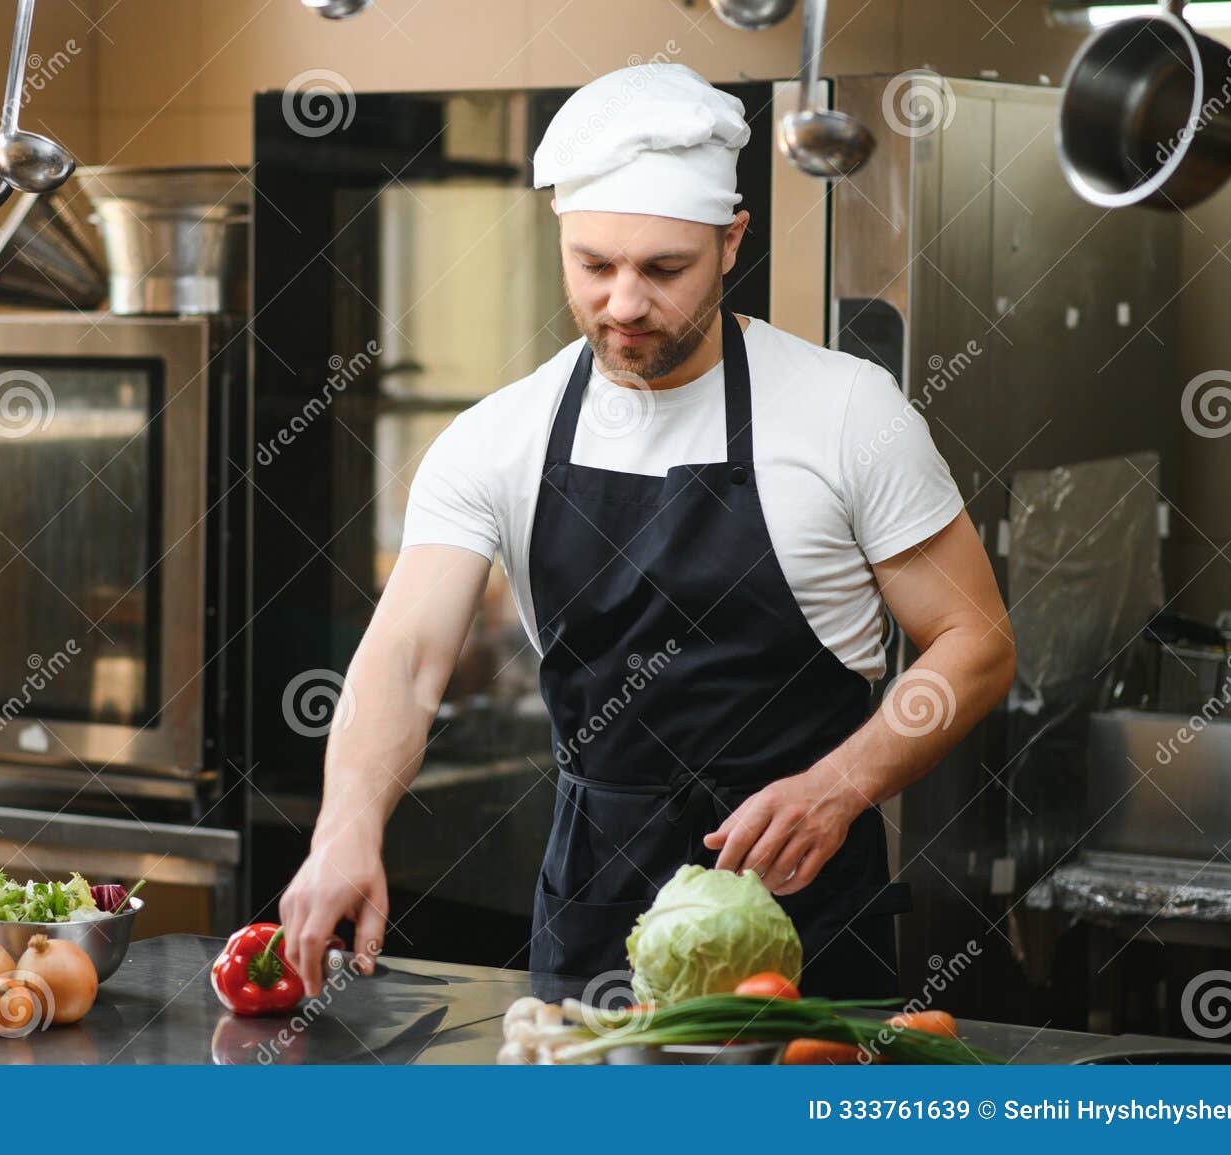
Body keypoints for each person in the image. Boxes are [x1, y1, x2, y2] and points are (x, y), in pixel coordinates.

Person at [278, 62, 1014, 997]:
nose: (624, 303)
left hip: (806, 927)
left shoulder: (845, 411)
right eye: (594, 265)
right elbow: (407, 656)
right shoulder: (502, 434)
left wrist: (845, 783)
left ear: (731, 240)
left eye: (664, 269)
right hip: (593, 931)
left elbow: (977, 642)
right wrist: (347, 824)